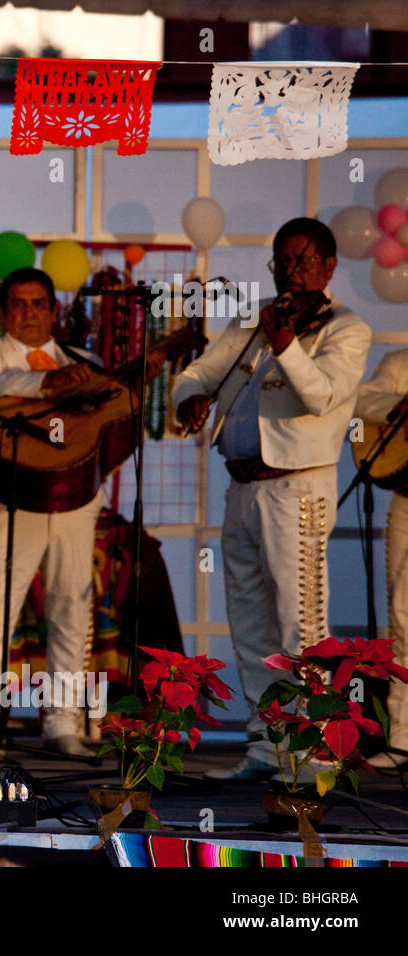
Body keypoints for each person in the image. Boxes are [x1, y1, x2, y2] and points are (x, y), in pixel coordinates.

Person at [174, 217, 370, 782]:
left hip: (298, 488)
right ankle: (267, 748)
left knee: (299, 627)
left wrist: (285, 345)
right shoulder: (254, 319)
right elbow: (198, 372)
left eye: (303, 261)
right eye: (282, 261)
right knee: (251, 624)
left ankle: (315, 754)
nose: (290, 271)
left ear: (330, 267)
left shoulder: (345, 328)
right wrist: (191, 398)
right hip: (242, 485)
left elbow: (320, 395)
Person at [0, 267, 116, 756]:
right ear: (4, 312)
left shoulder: (85, 360)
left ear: (55, 310)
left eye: (38, 304)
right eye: (18, 304)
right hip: (7, 495)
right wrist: (50, 381)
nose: (28, 313)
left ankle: (62, 724)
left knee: (72, 603)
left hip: (75, 496)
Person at [353, 351, 408, 770]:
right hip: (406, 499)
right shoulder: (400, 362)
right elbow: (359, 400)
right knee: (402, 612)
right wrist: (396, 407)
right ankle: (403, 736)